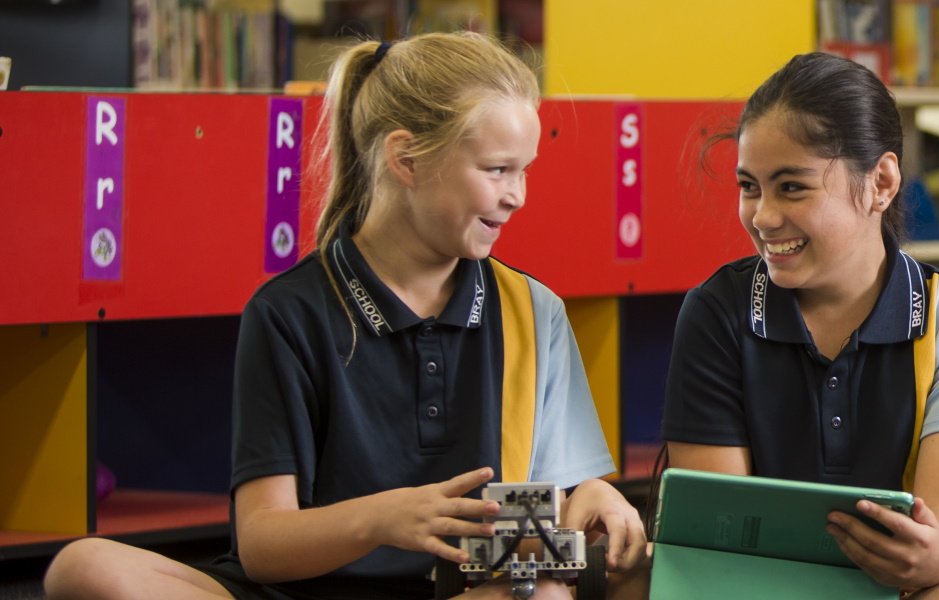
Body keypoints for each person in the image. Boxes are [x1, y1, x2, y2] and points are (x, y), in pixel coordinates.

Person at [44, 32, 644, 600]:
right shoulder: (286, 314)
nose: (518, 195)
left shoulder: (536, 311)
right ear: (405, 159)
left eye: (525, 170)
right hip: (300, 590)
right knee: (84, 566)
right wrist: (382, 519)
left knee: (552, 590)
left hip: (462, 590)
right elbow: (261, 545)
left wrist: (593, 499)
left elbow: (541, 521)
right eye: (496, 170)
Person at [658, 52, 939, 600]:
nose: (762, 216)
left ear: (881, 182)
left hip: (894, 592)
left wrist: (937, 553)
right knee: (626, 577)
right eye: (749, 187)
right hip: (753, 586)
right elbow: (714, 528)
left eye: (792, 187)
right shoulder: (715, 311)